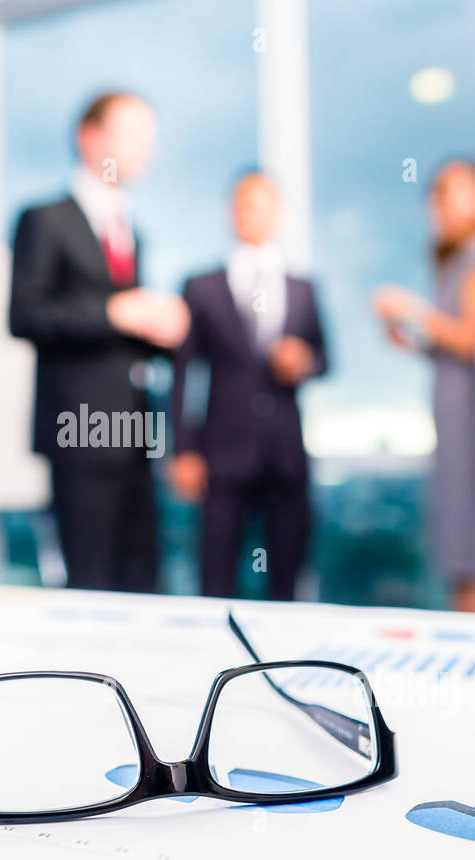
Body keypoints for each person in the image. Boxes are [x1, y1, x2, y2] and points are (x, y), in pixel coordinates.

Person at [9, 92, 189, 592]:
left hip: (134, 430)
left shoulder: (133, 231)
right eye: (133, 137)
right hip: (78, 429)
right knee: (91, 580)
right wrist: (116, 311)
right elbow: (24, 315)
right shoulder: (45, 220)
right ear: (88, 138)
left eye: (150, 140)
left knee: (143, 574)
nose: (146, 152)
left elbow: (121, 333)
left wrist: (160, 330)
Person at [169, 171, 329, 599]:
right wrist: (183, 449)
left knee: (287, 578)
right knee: (216, 574)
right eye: (242, 202)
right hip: (221, 452)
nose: (250, 212)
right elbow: (183, 373)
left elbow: (325, 359)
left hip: (285, 453)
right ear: (230, 211)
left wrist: (304, 362)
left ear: (279, 214)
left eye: (260, 203)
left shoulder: (303, 289)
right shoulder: (200, 287)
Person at [372, 161, 475, 614]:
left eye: (452, 194)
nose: (440, 206)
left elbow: (472, 338)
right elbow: (453, 344)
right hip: (457, 423)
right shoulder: (458, 258)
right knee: (464, 554)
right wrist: (417, 341)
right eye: (435, 195)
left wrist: (412, 310)